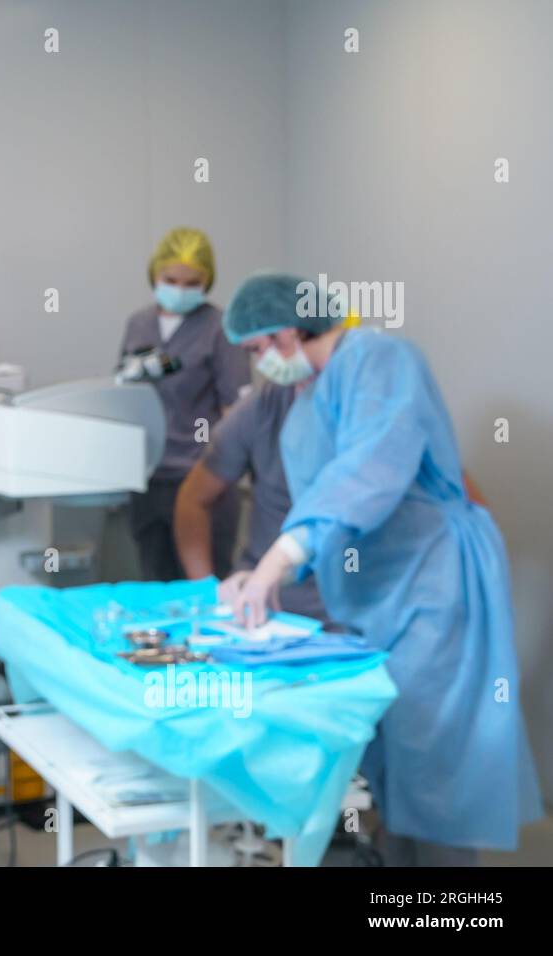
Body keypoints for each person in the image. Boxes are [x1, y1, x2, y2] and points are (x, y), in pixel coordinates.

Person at [219, 272, 542, 865]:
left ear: (284, 334)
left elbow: (369, 470)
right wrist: (270, 573)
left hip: (432, 586)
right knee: (392, 763)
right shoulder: (306, 402)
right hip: (373, 597)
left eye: (253, 349)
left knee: (436, 761)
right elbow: (325, 509)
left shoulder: (381, 358)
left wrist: (280, 558)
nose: (256, 364)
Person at [119, 227, 251, 581]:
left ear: (207, 281)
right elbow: (123, 397)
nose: (179, 290)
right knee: (153, 583)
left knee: (206, 588)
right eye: (171, 279)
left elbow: (236, 414)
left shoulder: (220, 328)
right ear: (154, 274)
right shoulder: (139, 325)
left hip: (201, 479)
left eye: (192, 283)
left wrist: (222, 470)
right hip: (146, 477)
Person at [173, 382, 327, 620]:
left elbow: (341, 510)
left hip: (345, 614)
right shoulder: (263, 408)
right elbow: (193, 498)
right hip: (259, 606)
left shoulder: (370, 421)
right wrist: (206, 591)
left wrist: (279, 562)